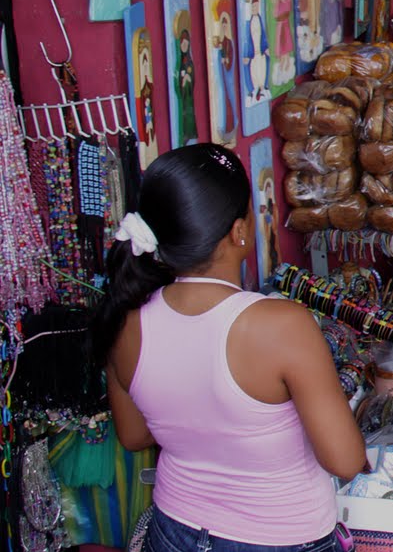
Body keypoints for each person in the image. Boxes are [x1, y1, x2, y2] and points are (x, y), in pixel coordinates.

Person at [91, 144, 366, 552]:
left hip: (174, 531)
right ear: (239, 231)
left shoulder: (125, 321)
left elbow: (134, 435)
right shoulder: (281, 324)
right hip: (281, 537)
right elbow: (344, 461)